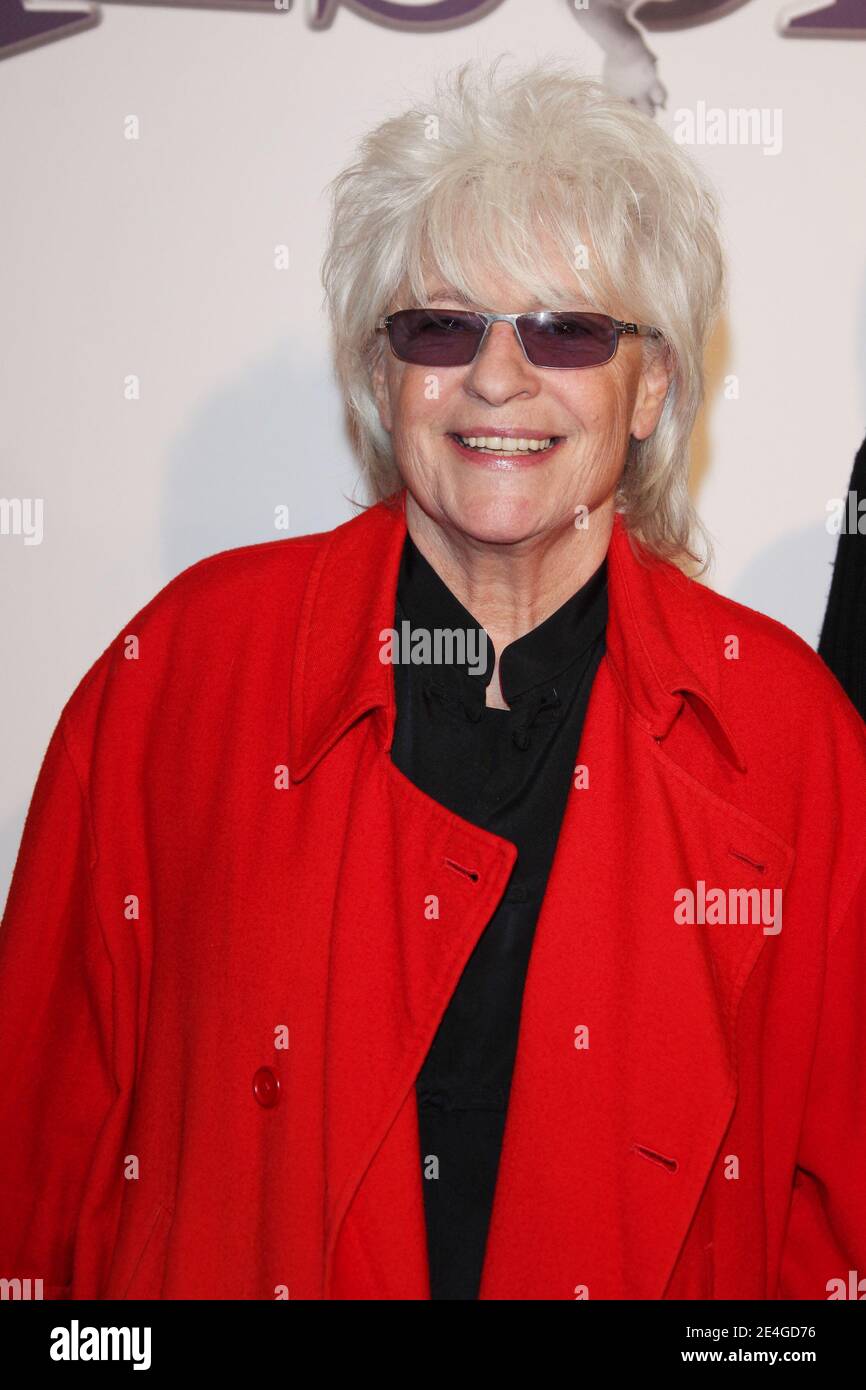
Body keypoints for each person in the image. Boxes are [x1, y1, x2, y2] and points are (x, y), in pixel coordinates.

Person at [1, 57, 865, 1302]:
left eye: (567, 328)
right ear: (379, 372)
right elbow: (34, 1175)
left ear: (653, 385)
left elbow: (832, 1237)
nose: (497, 378)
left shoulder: (790, 740)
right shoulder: (178, 675)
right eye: (440, 325)